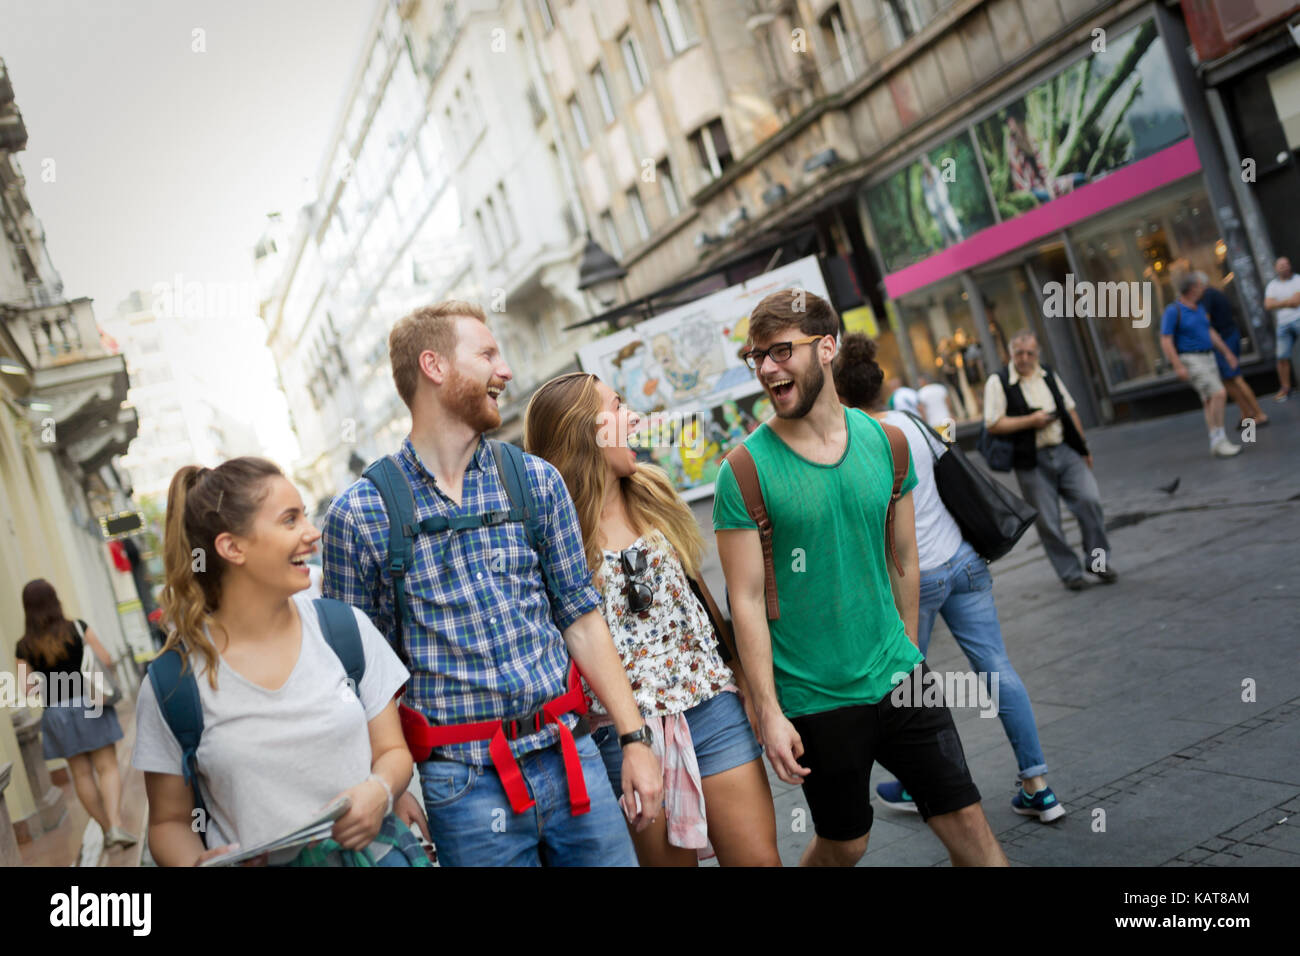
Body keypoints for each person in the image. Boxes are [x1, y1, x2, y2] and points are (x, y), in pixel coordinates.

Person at [321, 300, 662, 867]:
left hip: (569, 752)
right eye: (487, 355)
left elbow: (580, 617)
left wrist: (635, 741)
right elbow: (356, 676)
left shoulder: (533, 480)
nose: (504, 371)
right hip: (462, 787)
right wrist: (393, 786)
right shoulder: (359, 515)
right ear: (434, 367)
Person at [713, 288, 1007, 867]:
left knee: (968, 824)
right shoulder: (743, 471)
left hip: (900, 675)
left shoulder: (887, 442)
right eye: (757, 357)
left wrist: (906, 648)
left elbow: (904, 557)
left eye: (779, 352)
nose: (767, 369)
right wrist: (769, 712)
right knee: (848, 843)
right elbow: (744, 600)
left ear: (826, 348)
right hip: (815, 699)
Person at [524, 371, 781, 866]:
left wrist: (745, 681)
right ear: (586, 431)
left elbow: (697, 591)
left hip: (711, 708)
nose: (634, 418)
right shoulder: (550, 534)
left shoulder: (652, 491)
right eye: (618, 407)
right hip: (623, 736)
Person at [132, 458, 424, 867]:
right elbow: (168, 823)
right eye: (290, 520)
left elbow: (393, 751)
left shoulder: (344, 631)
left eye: (304, 515)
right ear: (232, 547)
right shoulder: (173, 685)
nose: (312, 533)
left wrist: (380, 791)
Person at [834, 334, 1065, 824]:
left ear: (841, 395)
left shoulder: (855, 443)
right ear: (878, 386)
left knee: (906, 689)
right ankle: (1038, 785)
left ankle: (924, 786)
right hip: (964, 562)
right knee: (997, 668)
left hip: (913, 579)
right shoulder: (914, 424)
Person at [985, 331, 1116, 590]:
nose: (1024, 359)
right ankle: (1070, 574)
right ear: (1010, 354)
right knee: (1048, 522)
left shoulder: (1047, 373)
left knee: (1090, 501)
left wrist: (1083, 447)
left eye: (1029, 353)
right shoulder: (998, 381)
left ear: (1037, 354)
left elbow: (1069, 410)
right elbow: (993, 424)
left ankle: (1098, 562)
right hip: (1032, 461)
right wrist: (1031, 421)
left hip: (1065, 451)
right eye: (1018, 354)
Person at [14, 579, 137, 851]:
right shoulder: (78, 628)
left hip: (56, 711)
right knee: (107, 767)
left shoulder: (24, 646)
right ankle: (116, 824)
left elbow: (27, 688)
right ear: (55, 600)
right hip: (90, 702)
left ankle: (107, 829)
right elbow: (104, 659)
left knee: (81, 775)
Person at [1159, 271, 1243, 459]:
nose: (1203, 289)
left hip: (1208, 357)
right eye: (1200, 285)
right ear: (1192, 288)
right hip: (1192, 359)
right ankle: (1219, 438)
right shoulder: (1173, 310)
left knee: (1208, 400)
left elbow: (1210, 332)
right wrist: (1177, 365)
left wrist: (1226, 353)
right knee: (1218, 393)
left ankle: (1216, 441)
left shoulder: (1198, 308)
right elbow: (1166, 339)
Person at [1198, 281, 1267, 427]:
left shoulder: (1207, 295)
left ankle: (1259, 414)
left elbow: (1205, 321)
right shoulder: (1213, 293)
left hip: (1226, 339)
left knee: (1235, 378)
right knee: (1228, 379)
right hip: (1227, 337)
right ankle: (1246, 413)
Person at [1263, 256, 1300, 401]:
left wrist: (1278, 302)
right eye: (1280, 265)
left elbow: (1297, 301)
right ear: (1276, 269)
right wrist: (1289, 301)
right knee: (1282, 357)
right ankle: (1285, 388)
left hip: (1298, 318)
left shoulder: (1297, 279)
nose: (1284, 267)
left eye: (1286, 264)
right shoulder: (1272, 285)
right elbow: (1268, 305)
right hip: (1283, 323)